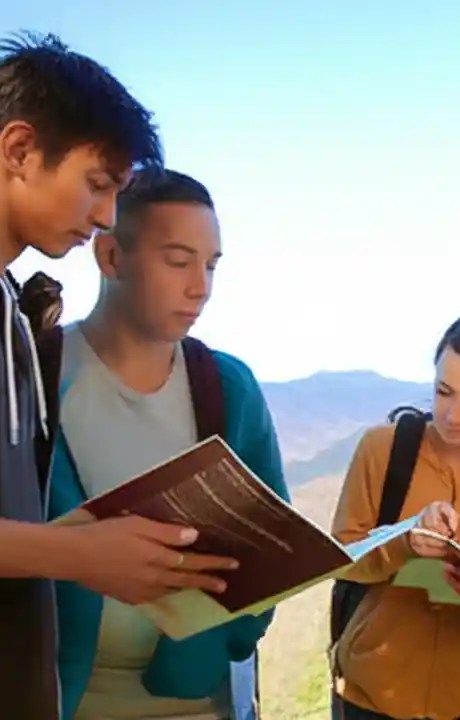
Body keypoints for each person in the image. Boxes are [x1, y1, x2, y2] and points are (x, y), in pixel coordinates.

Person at [0, 32, 234, 719]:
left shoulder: (7, 305)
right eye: (97, 185)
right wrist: (72, 555)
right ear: (20, 150)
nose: (106, 218)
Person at [30, 169, 287, 720]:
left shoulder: (227, 388)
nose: (201, 286)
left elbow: (278, 546)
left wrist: (230, 640)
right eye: (178, 261)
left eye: (212, 265)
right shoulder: (35, 374)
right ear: (110, 257)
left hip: (197, 701)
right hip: (57, 698)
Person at [329, 311, 460, 720]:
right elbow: (340, 558)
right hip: (370, 694)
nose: (453, 415)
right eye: (443, 392)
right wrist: (404, 543)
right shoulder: (383, 449)